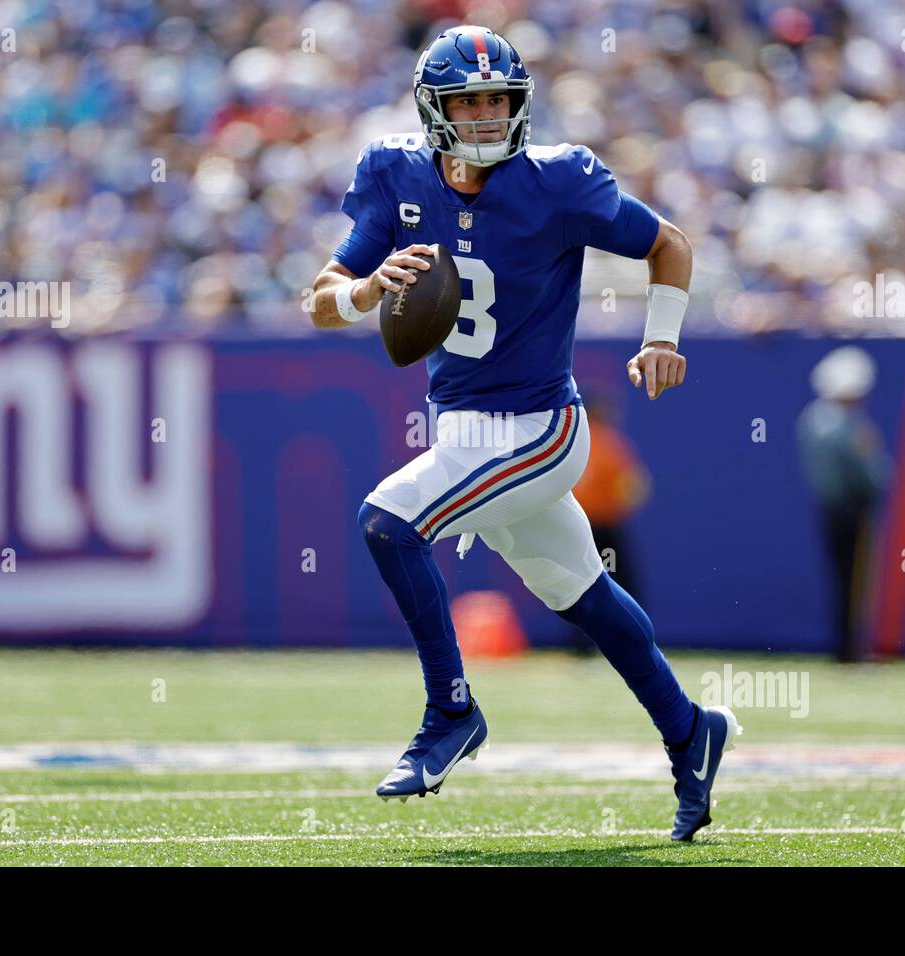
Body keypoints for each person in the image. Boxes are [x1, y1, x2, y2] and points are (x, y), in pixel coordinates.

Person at [308, 26, 738, 841]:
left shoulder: (558, 181)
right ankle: (692, 732)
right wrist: (367, 292)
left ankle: (451, 711)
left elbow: (668, 245)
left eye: (496, 99)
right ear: (435, 109)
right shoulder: (393, 172)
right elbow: (320, 298)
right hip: (464, 434)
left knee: (387, 522)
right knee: (585, 596)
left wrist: (661, 338)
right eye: (467, 101)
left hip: (539, 428)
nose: (483, 115)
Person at [796, 347, 891, 663]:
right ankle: (852, 648)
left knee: (839, 578)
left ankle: (844, 645)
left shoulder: (811, 419)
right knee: (855, 580)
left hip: (828, 509)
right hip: (854, 509)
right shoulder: (849, 425)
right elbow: (873, 472)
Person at [565, 395, 652, 655]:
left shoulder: (573, 439)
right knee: (624, 583)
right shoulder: (608, 440)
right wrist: (617, 506)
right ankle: (633, 639)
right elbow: (634, 485)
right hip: (605, 526)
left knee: (578, 586)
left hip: (578, 525)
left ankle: (580, 646)